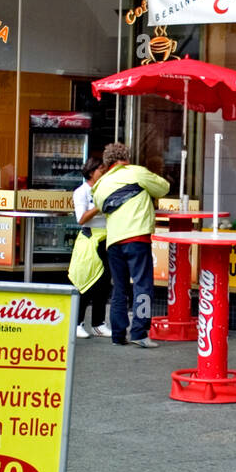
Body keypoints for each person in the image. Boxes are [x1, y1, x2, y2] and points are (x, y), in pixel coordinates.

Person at [91, 142, 169, 348]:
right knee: (143, 286)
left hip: (114, 241)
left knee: (119, 289)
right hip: (137, 238)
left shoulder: (100, 185)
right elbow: (164, 187)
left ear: (107, 162)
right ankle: (140, 333)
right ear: (126, 157)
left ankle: (118, 334)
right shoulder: (137, 173)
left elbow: (100, 205)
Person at [70, 155, 111, 339]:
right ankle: (77, 323)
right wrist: (99, 206)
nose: (103, 173)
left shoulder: (107, 190)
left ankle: (98, 323)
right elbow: (81, 219)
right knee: (85, 281)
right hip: (89, 238)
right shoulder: (82, 192)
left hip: (107, 238)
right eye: (101, 170)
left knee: (104, 282)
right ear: (91, 171)